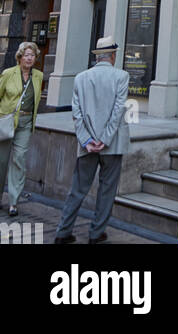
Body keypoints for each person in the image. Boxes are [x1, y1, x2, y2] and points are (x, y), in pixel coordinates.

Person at [53, 36, 130, 245]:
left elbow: (76, 114)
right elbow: (118, 112)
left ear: (98, 57)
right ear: (113, 56)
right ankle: (96, 233)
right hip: (112, 144)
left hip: (87, 144)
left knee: (77, 189)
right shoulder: (121, 76)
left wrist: (87, 140)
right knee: (107, 190)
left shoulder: (81, 78)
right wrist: (104, 140)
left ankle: (62, 232)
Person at [0, 41, 43, 217]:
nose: (29, 58)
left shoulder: (38, 76)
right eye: (26, 55)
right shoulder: (8, 73)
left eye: (32, 55)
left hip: (25, 122)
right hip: (7, 121)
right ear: (19, 57)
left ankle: (13, 202)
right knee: (1, 162)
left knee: (19, 160)